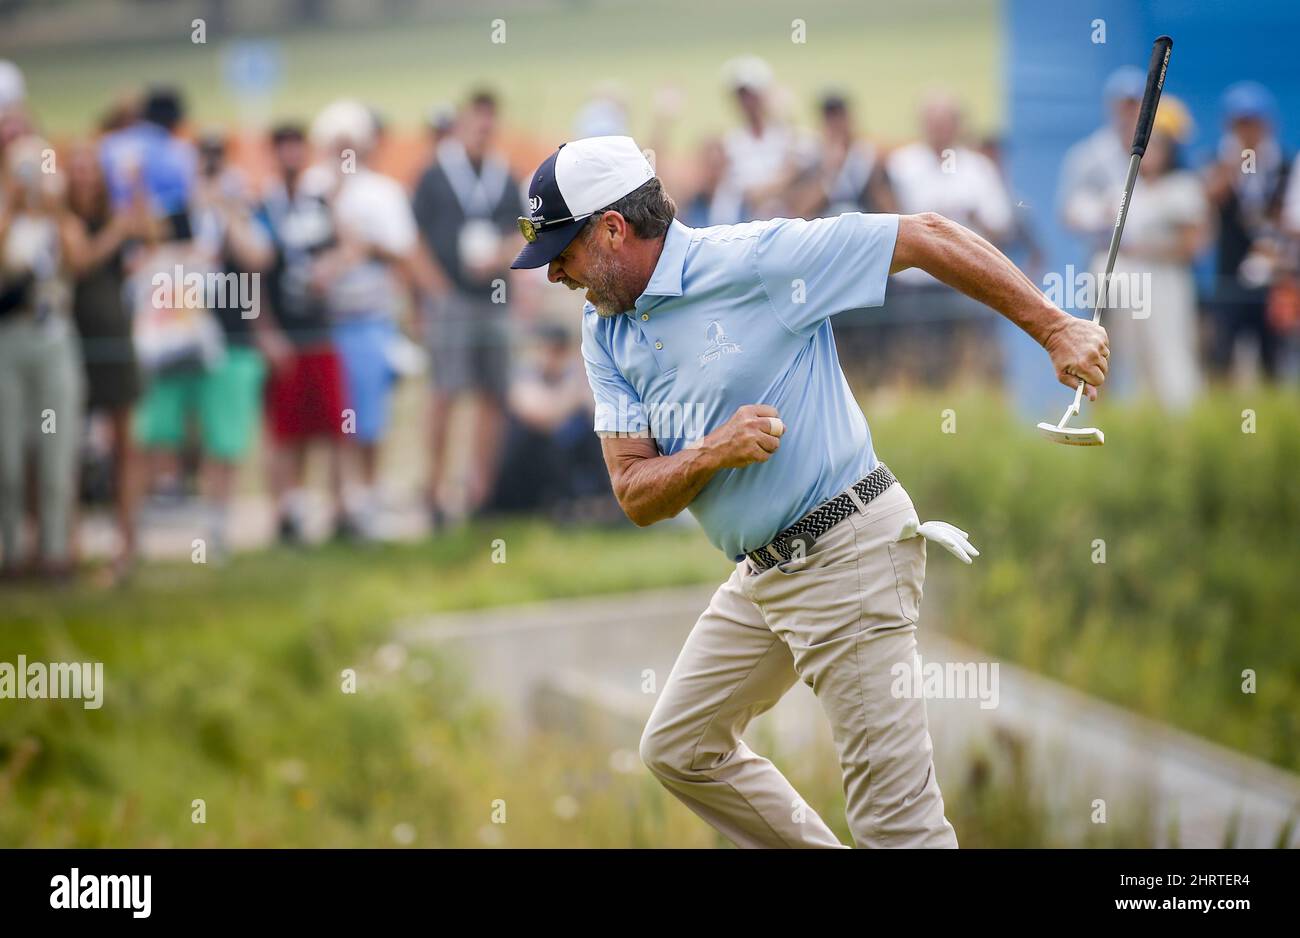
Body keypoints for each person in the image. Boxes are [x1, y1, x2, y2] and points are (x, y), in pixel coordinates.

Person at [509, 135, 1109, 849]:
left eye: (563, 253)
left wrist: (1054, 325)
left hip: (848, 550)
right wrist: (712, 451)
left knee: (899, 829)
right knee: (680, 749)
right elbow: (635, 492)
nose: (555, 276)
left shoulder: (758, 260)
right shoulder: (603, 330)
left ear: (612, 229)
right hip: (763, 575)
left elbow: (925, 236)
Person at [308, 99, 422, 539]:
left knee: (369, 417)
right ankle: (338, 502)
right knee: (335, 420)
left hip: (371, 317)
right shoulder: (313, 188)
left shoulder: (382, 191)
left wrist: (365, 247)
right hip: (324, 323)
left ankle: (368, 498)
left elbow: (401, 251)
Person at [411, 89, 524, 526]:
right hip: (451, 298)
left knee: (493, 394)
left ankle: (481, 491)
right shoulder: (436, 175)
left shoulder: (503, 175)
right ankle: (434, 492)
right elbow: (414, 235)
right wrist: (433, 291)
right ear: (461, 124)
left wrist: (500, 255)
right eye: (476, 122)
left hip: (495, 300)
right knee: (445, 392)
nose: (483, 130)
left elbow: (524, 233)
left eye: (489, 123)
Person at [255, 123, 349, 544]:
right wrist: (265, 331)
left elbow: (342, 248)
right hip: (283, 335)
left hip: (320, 329)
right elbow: (250, 278)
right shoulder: (261, 208)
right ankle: (285, 513)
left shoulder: (319, 204)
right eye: (283, 148)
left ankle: (338, 509)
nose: (291, 156)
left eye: (297, 148)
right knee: (284, 431)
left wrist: (330, 270)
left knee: (330, 426)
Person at [884, 91, 1014, 385]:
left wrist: (972, 216)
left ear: (959, 125)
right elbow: (889, 219)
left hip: (970, 280)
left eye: (945, 122)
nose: (938, 129)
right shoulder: (901, 165)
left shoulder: (979, 168)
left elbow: (1000, 226)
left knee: (976, 359)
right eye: (932, 122)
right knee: (923, 362)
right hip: (918, 281)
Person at [0, 136, 86, 579]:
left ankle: (55, 551)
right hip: (9, 340)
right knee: (7, 456)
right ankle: (8, 551)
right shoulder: (7, 221)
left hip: (53, 337)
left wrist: (53, 207)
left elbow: (79, 259)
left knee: (57, 450)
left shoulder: (58, 223)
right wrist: (12, 206)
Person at [66, 140, 148, 580]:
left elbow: (149, 232)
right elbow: (80, 260)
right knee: (67, 446)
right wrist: (118, 228)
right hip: (72, 340)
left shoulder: (116, 213)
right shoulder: (63, 219)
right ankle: (69, 544)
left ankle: (127, 544)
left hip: (115, 338)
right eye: (76, 168)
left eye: (90, 168)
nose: (83, 176)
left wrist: (135, 186)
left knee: (125, 444)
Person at [1104, 103, 1209, 411]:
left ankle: (1182, 425)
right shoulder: (1126, 189)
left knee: (1170, 353)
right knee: (1136, 357)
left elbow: (1193, 245)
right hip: (1132, 286)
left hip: (1166, 284)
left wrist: (1146, 251)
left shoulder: (1183, 188)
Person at [1203, 81, 1292, 381]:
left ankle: (1269, 423)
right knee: (1222, 356)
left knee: (1274, 358)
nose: (1248, 131)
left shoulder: (1285, 166)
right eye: (1241, 124)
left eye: (1253, 123)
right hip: (1230, 278)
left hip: (1275, 278)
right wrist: (1232, 166)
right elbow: (1208, 200)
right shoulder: (1219, 162)